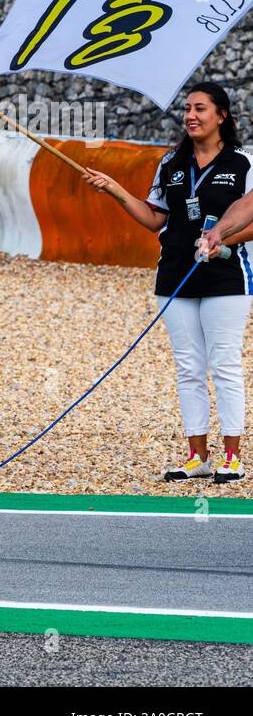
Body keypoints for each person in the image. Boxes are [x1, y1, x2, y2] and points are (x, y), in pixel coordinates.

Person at [90, 83, 252, 485]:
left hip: (227, 275)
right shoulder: (171, 163)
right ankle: (198, 455)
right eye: (187, 109)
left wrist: (222, 243)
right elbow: (154, 218)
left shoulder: (244, 163)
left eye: (200, 109)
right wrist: (115, 190)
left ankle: (233, 456)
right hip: (175, 275)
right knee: (189, 368)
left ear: (222, 115)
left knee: (224, 363)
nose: (191, 116)